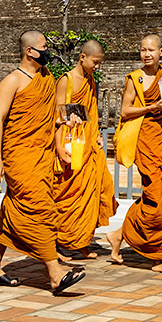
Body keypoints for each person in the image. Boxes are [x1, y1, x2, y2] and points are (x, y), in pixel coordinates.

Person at [0, 30, 85, 295]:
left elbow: (53, 113)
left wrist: (67, 120)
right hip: (19, 155)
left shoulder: (46, 78)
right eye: (43, 47)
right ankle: (54, 271)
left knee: (12, 208)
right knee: (38, 208)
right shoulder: (13, 81)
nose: (47, 51)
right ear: (29, 51)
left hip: (42, 154)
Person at [106, 34, 162, 274]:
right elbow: (125, 111)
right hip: (145, 139)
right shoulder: (135, 79)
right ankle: (160, 258)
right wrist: (152, 107)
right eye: (142, 50)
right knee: (155, 195)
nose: (146, 54)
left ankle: (119, 235)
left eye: (151, 49)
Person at [54, 40, 117, 258]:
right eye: (95, 62)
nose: (97, 67)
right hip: (69, 142)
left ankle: (81, 240)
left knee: (100, 187)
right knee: (68, 192)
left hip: (87, 142)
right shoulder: (67, 81)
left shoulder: (90, 80)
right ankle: (57, 242)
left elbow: (90, 113)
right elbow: (57, 115)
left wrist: (97, 135)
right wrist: (59, 146)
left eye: (100, 63)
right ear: (82, 57)